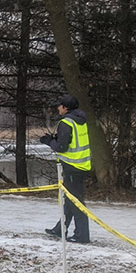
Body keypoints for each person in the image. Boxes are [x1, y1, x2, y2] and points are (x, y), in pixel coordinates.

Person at [41, 94, 91, 243]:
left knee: (76, 201)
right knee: (70, 199)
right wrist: (55, 139)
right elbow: (70, 141)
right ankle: (60, 229)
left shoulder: (66, 122)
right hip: (81, 165)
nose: (58, 108)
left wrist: (49, 142)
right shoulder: (80, 120)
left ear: (65, 107)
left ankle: (82, 235)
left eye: (60, 105)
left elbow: (62, 147)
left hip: (72, 166)